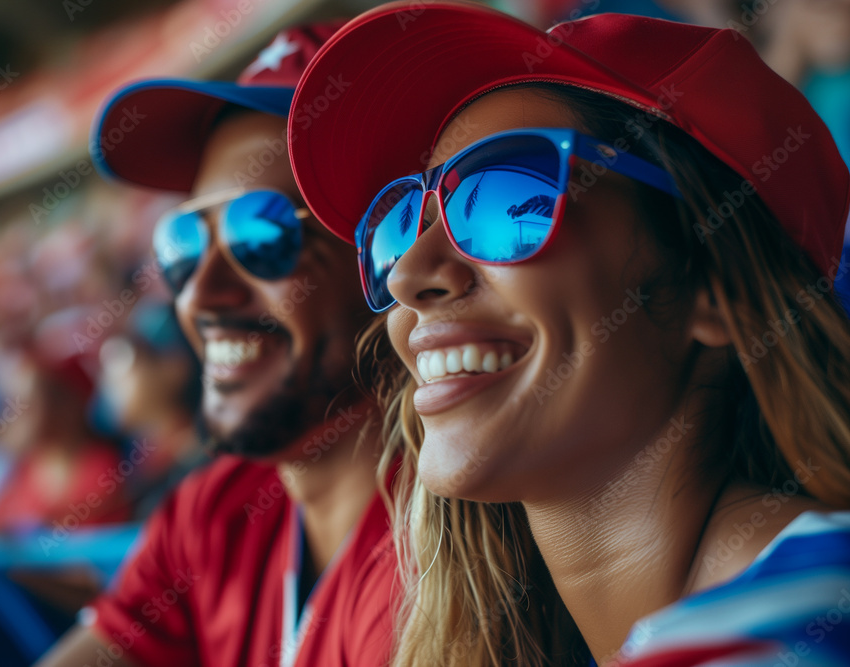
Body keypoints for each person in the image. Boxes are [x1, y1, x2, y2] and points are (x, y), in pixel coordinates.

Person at [289, 3, 850, 666]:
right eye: (404, 220)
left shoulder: (806, 623)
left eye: (508, 201)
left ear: (714, 287)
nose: (411, 272)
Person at [36, 23, 396, 667]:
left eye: (262, 232)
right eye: (184, 243)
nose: (201, 294)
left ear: (391, 255)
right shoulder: (215, 511)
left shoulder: (453, 549)